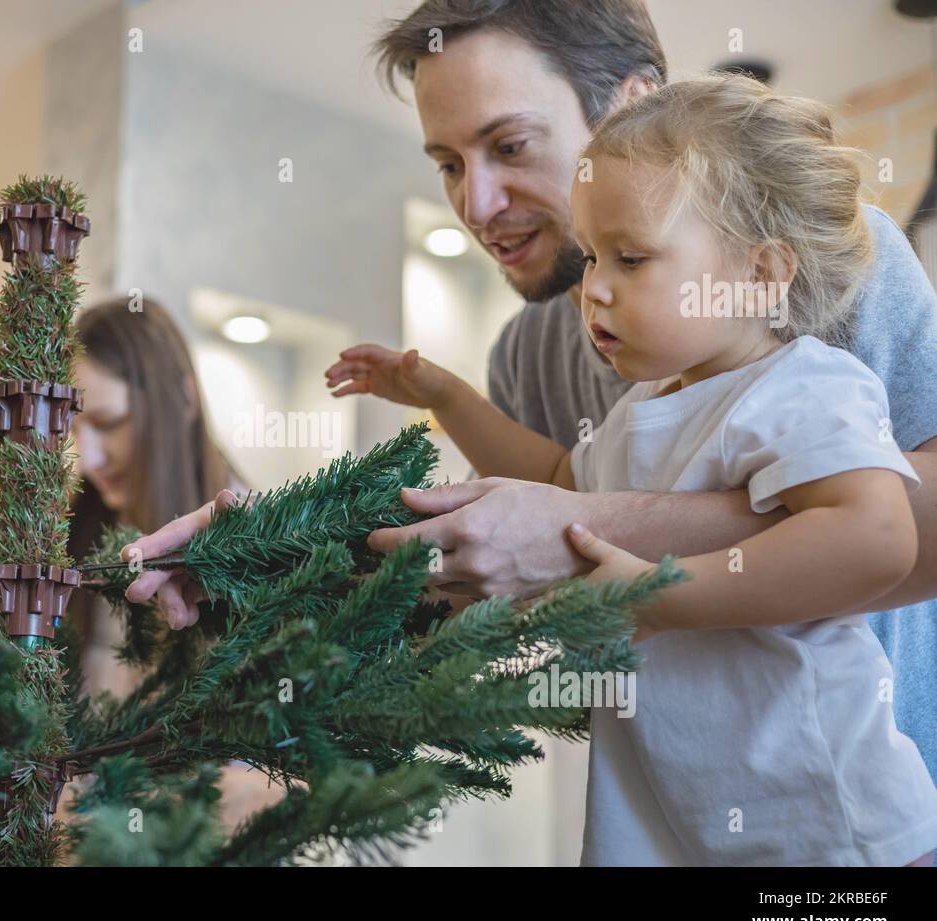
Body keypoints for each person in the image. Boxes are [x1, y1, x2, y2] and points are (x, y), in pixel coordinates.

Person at [125, 0, 937, 815]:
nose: (476, 206)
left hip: (857, 823)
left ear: (630, 104)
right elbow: (491, 571)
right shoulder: (525, 354)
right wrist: (269, 549)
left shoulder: (826, 260)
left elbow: (906, 532)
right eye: (449, 164)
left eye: (510, 146)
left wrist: (597, 544)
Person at [403, 71, 936, 865]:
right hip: (688, 826)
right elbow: (559, 484)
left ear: (761, 274)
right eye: (591, 258)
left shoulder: (806, 386)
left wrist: (662, 593)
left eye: (631, 258)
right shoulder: (642, 410)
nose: (594, 291)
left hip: (828, 831)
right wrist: (445, 395)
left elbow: (878, 537)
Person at [65, 296, 278, 823]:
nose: (87, 458)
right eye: (73, 426)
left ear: (182, 400)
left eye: (109, 422)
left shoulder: (258, 550)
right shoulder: (80, 531)